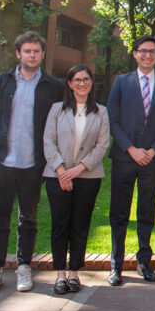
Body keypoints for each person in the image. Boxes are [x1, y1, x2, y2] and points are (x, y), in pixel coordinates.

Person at [0, 31, 63, 295]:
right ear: (18, 54)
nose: (32, 55)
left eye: (36, 51)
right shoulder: (1, 82)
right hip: (1, 162)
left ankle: (24, 266)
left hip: (33, 166)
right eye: (27, 51)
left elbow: (61, 124)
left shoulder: (53, 87)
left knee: (28, 219)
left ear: (42, 54)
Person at [107, 35, 155, 286]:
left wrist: (154, 150)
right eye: (143, 51)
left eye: (152, 51)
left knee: (147, 212)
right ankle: (116, 265)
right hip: (124, 158)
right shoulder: (121, 83)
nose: (148, 55)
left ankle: (144, 262)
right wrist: (131, 149)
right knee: (119, 213)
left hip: (152, 160)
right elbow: (112, 120)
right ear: (135, 53)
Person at [43, 65, 109, 294]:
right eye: (77, 80)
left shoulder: (101, 112)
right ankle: (60, 274)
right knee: (60, 225)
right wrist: (62, 171)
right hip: (57, 176)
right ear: (70, 83)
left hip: (88, 177)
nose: (82, 83)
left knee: (80, 225)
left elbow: (102, 145)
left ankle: (74, 273)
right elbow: (48, 141)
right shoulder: (56, 110)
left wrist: (77, 170)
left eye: (86, 79)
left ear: (91, 83)